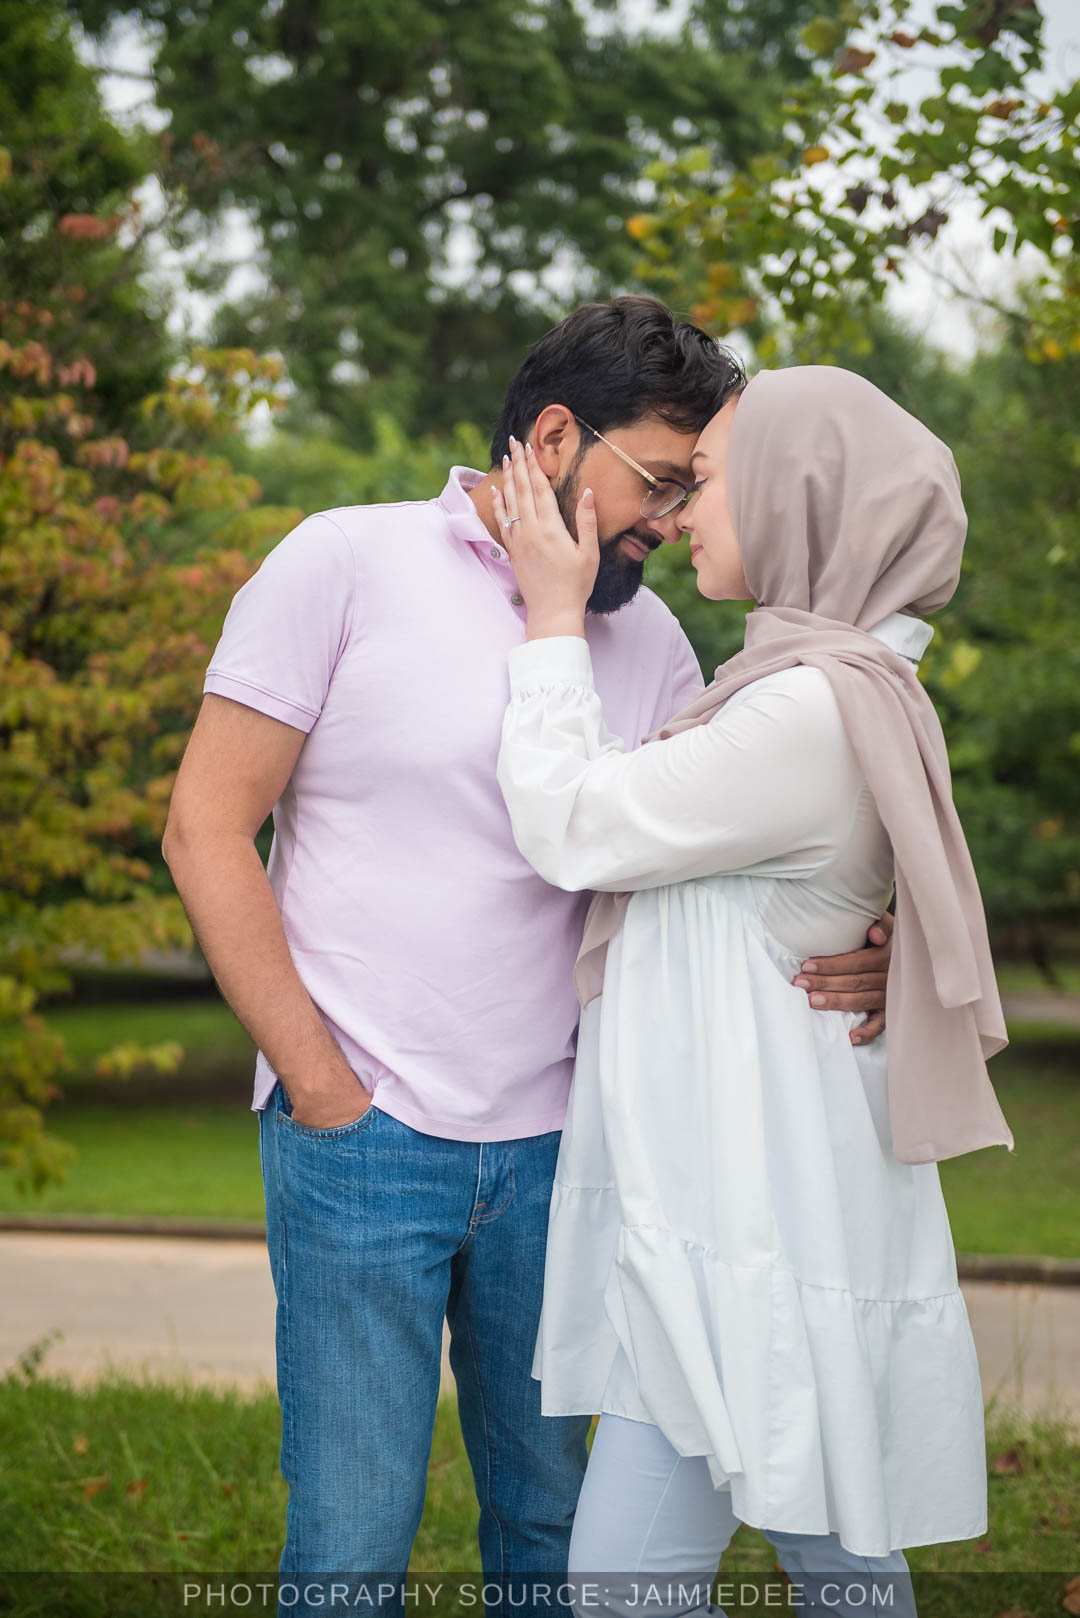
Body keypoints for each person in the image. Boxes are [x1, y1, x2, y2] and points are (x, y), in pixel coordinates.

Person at [161, 302, 895, 1616]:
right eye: (658, 479)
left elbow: (717, 855)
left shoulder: (650, 639)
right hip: (362, 1139)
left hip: (570, 1147)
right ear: (555, 437)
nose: (672, 517)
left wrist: (869, 935)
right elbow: (206, 827)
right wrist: (319, 1082)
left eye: (689, 487)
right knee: (349, 1540)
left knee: (553, 1531)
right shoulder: (340, 562)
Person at [494, 366, 1014, 1618]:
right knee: (830, 1560)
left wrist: (553, 620)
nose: (679, 513)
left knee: (648, 1582)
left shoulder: (808, 710)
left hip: (745, 1224)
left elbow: (573, 822)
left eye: (709, 481)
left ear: (801, 496)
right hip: (741, 1214)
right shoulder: (829, 690)